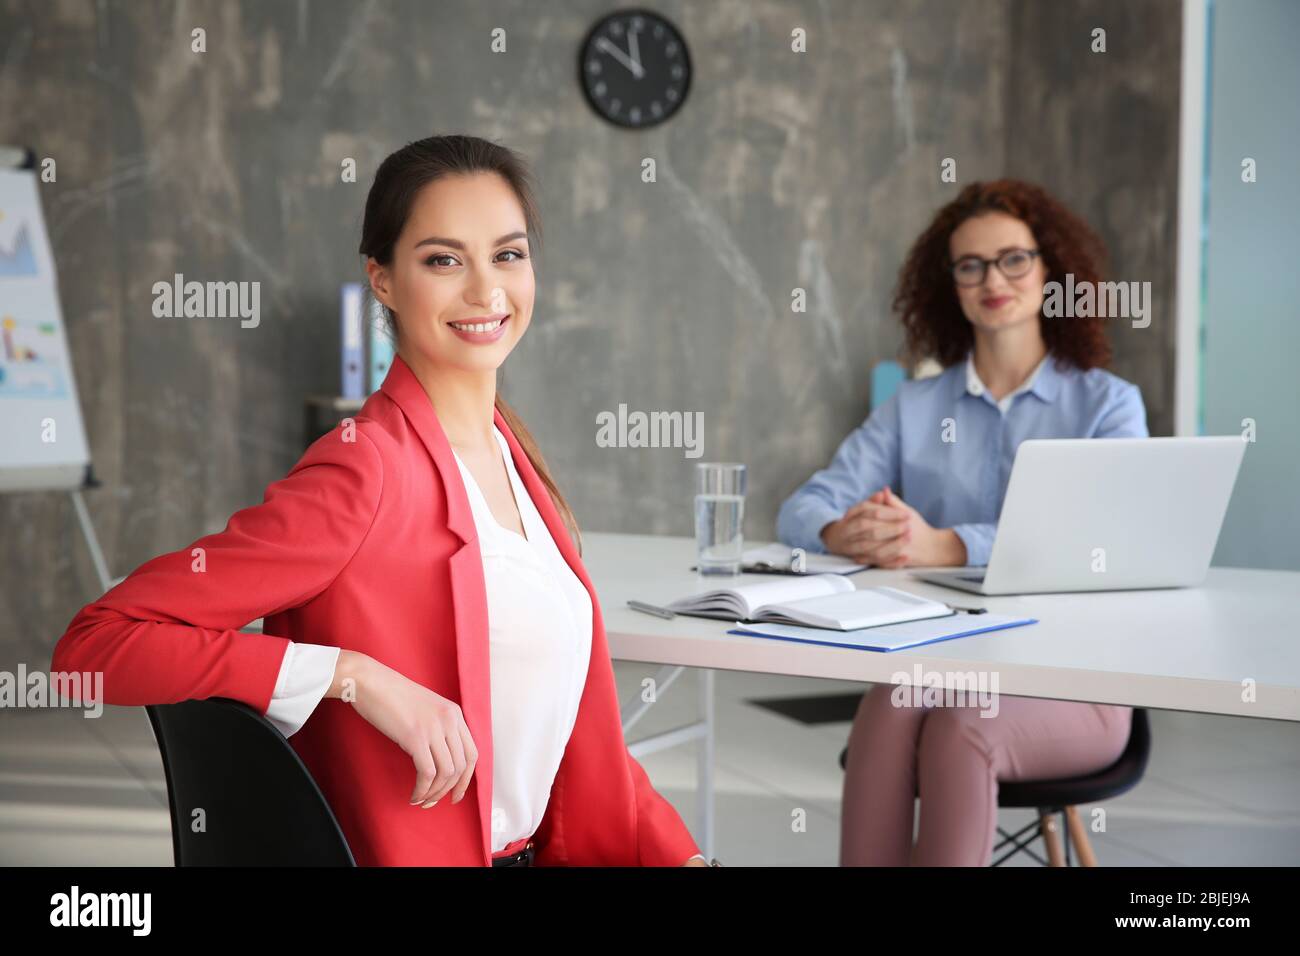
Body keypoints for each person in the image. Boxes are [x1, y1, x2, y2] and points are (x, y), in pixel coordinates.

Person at [53, 134, 709, 867]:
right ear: (384, 279)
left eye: (508, 254)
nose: (486, 291)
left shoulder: (511, 457)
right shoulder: (362, 473)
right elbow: (97, 646)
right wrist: (346, 676)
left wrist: (683, 859)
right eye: (443, 259)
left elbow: (575, 738)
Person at [776, 179, 1146, 866]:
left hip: (1079, 682)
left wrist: (946, 545)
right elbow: (803, 506)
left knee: (959, 730)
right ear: (949, 285)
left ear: (1050, 270)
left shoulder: (1108, 407)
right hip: (942, 663)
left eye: (1014, 259)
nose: (993, 279)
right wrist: (838, 532)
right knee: (889, 702)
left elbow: (1100, 545)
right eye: (970, 265)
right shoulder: (914, 407)